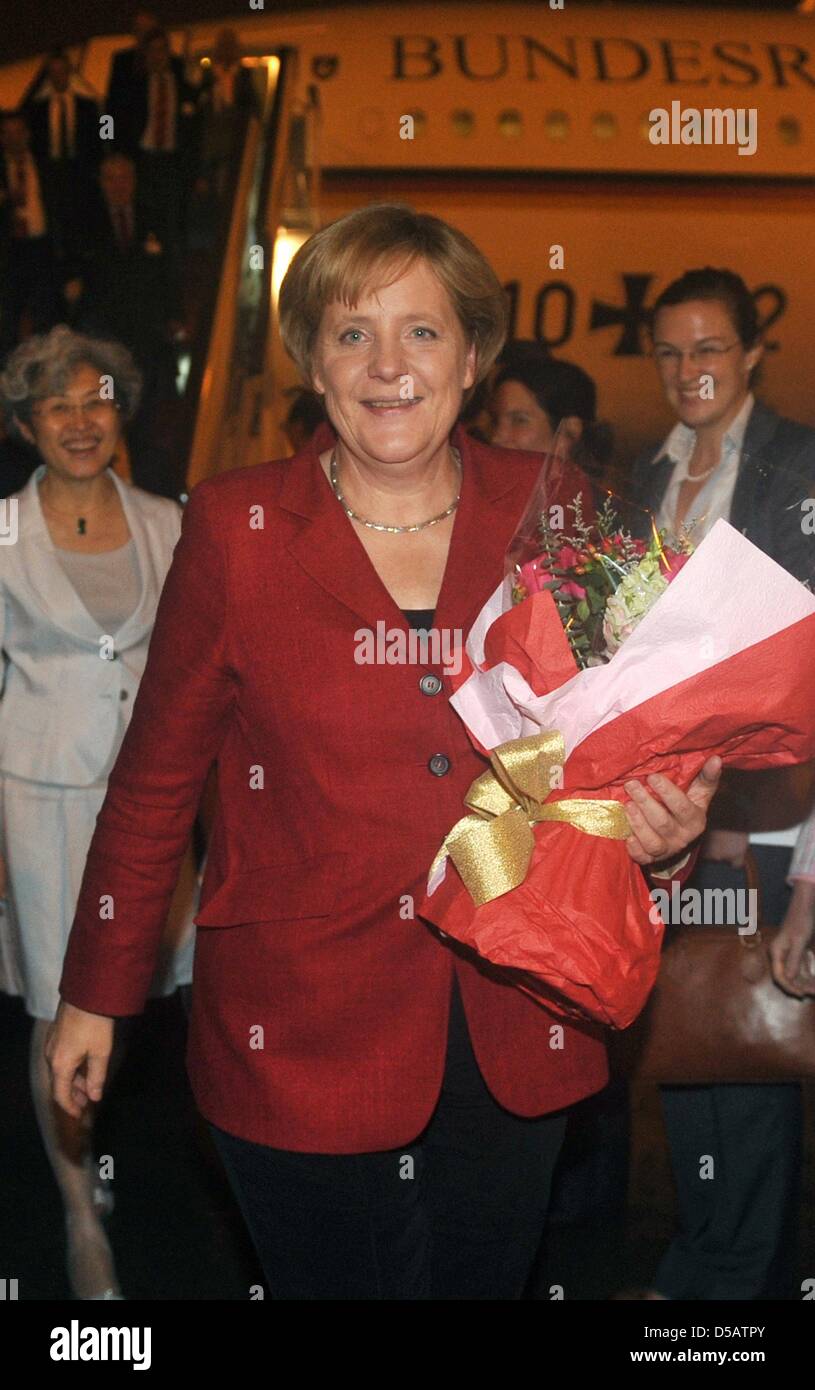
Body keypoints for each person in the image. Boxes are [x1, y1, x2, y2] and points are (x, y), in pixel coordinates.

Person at [47, 204, 721, 1301]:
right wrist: (96, 993)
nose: (386, 365)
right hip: (299, 1028)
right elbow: (154, 783)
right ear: (311, 360)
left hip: (515, 1014)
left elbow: (654, 740)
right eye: (351, 333)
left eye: (420, 331)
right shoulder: (232, 527)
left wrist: (666, 837)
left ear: (471, 354)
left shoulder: (564, 512)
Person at [624, 266, 815, 1301]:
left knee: (748, 1057)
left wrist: (805, 879)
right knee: (690, 1042)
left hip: (769, 817)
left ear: (748, 353)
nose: (687, 370)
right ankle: (702, 1266)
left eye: (707, 348)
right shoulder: (640, 472)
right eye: (667, 351)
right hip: (663, 818)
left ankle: (729, 1287)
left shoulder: (799, 466)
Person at [0, 325, 195, 1299]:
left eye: (98, 398)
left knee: (153, 1004)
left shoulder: (169, 521)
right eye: (57, 405)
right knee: (55, 1010)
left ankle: (130, 1168)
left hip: (154, 809)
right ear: (25, 422)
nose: (81, 421)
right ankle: (80, 1213)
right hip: (37, 806)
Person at [489, 349, 613, 483]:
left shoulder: (597, 501)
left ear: (570, 429)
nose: (496, 438)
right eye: (495, 421)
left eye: (519, 420)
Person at [24, 50, 100, 263]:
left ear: (69, 73)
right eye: (53, 72)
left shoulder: (88, 105)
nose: (58, 77)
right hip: (51, 170)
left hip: (80, 170)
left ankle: (81, 260)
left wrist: (100, 164)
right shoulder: (39, 109)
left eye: (62, 71)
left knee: (80, 218)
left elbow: (104, 132)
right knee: (55, 219)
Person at [0, 111, 63, 357]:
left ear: (27, 135)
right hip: (10, 252)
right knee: (8, 319)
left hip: (42, 248)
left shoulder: (46, 165)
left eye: (19, 132)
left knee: (46, 315)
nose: (14, 139)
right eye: (7, 133)